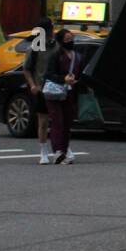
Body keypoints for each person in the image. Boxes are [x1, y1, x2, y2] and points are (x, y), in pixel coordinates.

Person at [43, 28, 84, 165]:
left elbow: (81, 74)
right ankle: (58, 152)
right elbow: (48, 74)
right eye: (67, 39)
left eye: (71, 39)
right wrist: (63, 79)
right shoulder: (56, 56)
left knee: (67, 123)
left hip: (70, 93)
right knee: (57, 121)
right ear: (61, 41)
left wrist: (77, 81)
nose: (70, 41)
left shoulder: (78, 56)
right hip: (55, 93)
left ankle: (65, 151)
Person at [24, 18, 56, 164]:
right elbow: (27, 69)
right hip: (42, 89)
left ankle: (61, 149)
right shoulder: (34, 48)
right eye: (51, 28)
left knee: (59, 121)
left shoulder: (58, 46)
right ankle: (43, 152)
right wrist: (32, 85)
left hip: (58, 88)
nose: (54, 30)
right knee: (43, 122)